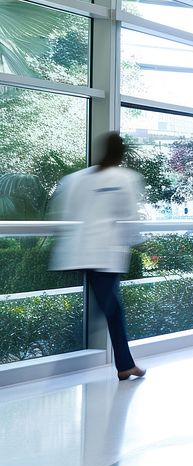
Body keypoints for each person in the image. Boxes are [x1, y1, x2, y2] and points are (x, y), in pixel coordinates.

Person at [50, 132, 145, 381]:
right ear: (121, 154)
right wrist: (140, 243)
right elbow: (130, 217)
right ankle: (123, 365)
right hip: (104, 253)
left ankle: (124, 365)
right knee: (110, 308)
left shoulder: (76, 179)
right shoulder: (125, 179)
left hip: (81, 251)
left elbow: (64, 212)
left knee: (108, 307)